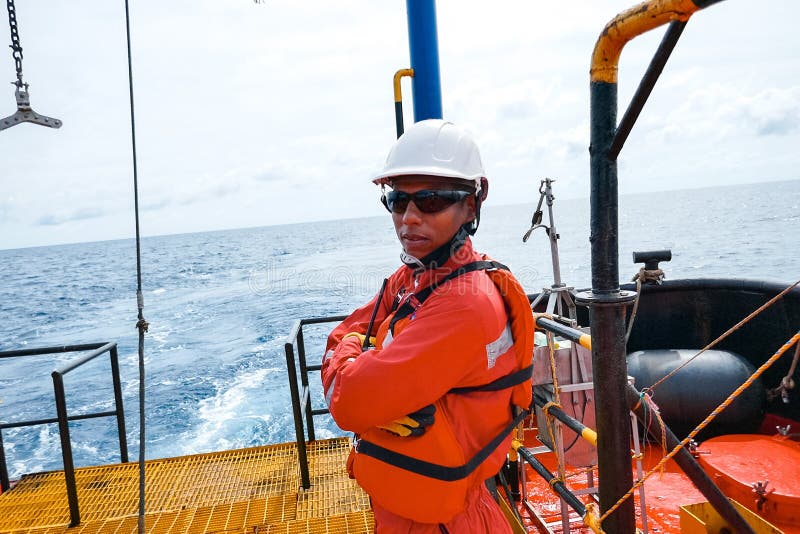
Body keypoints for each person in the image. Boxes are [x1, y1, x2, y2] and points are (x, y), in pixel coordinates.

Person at [321, 119, 534, 533]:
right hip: (412, 509)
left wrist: (357, 359)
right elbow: (347, 330)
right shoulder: (421, 277)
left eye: (431, 200)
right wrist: (355, 356)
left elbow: (346, 402)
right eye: (398, 201)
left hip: (444, 521)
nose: (409, 219)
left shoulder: (464, 304)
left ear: (471, 204)